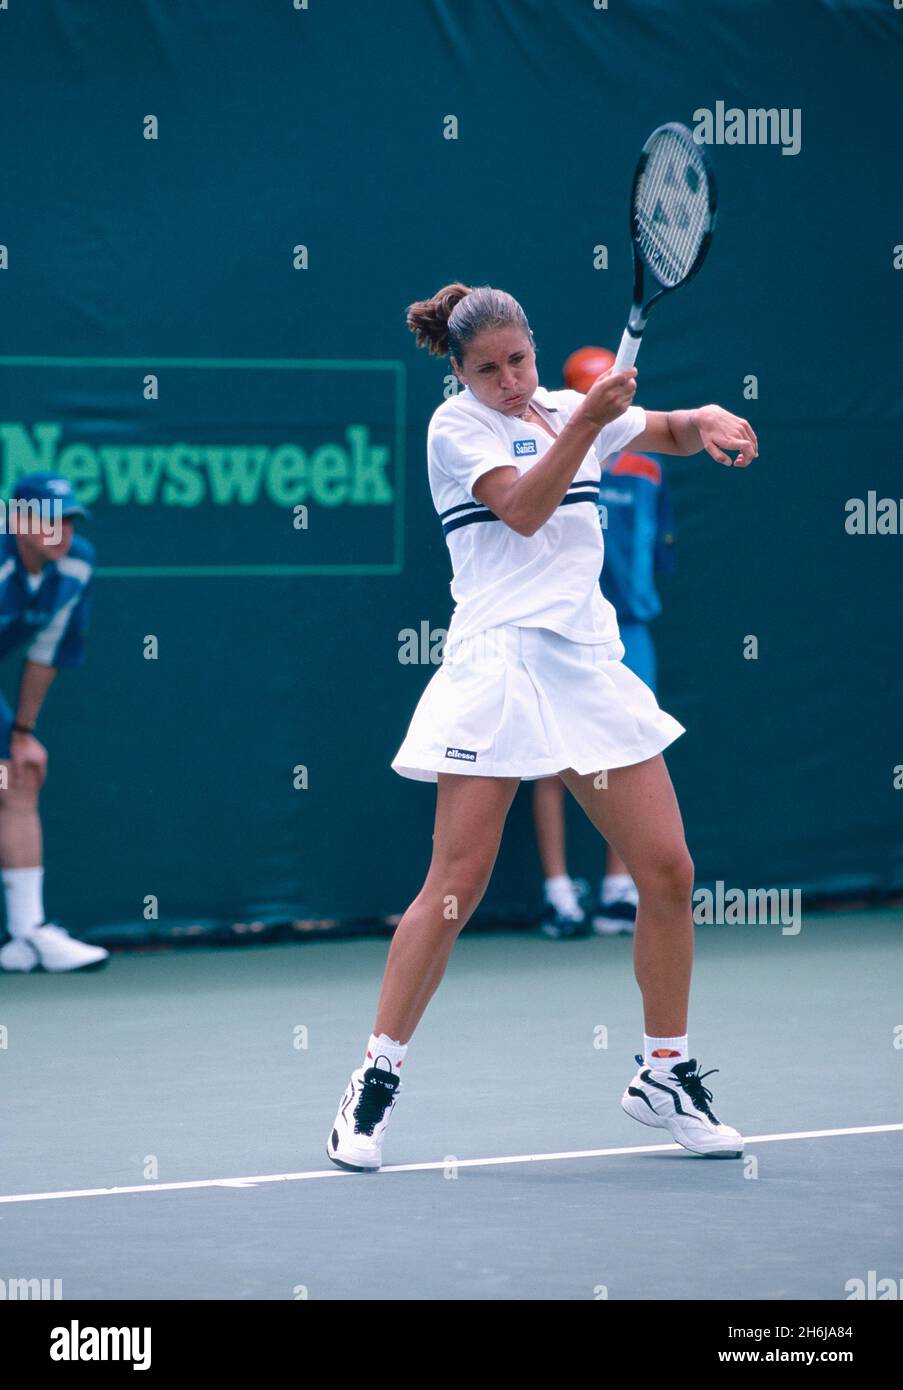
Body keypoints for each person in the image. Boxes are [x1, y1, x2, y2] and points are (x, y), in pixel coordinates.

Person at [326, 283, 757, 1170]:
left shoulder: (567, 407)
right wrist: (583, 423)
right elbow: (522, 512)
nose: (510, 380)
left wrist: (702, 416)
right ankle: (373, 1080)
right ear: (456, 371)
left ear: (534, 344)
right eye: (486, 370)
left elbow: (663, 429)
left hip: (586, 665)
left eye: (519, 359)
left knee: (668, 871)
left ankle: (663, 1073)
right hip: (497, 667)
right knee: (454, 885)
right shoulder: (457, 430)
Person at [533, 345, 677, 939]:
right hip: (560, 628)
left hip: (629, 631)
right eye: (595, 390)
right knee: (548, 759)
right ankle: (559, 893)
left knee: (630, 748)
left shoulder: (646, 464)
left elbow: (658, 546)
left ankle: (620, 889)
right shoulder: (552, 451)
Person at [0, 473, 109, 973]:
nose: (61, 531)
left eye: (67, 519)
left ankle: (28, 937)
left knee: (18, 776)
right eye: (48, 519)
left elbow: (46, 653)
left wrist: (20, 733)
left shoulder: (77, 565)